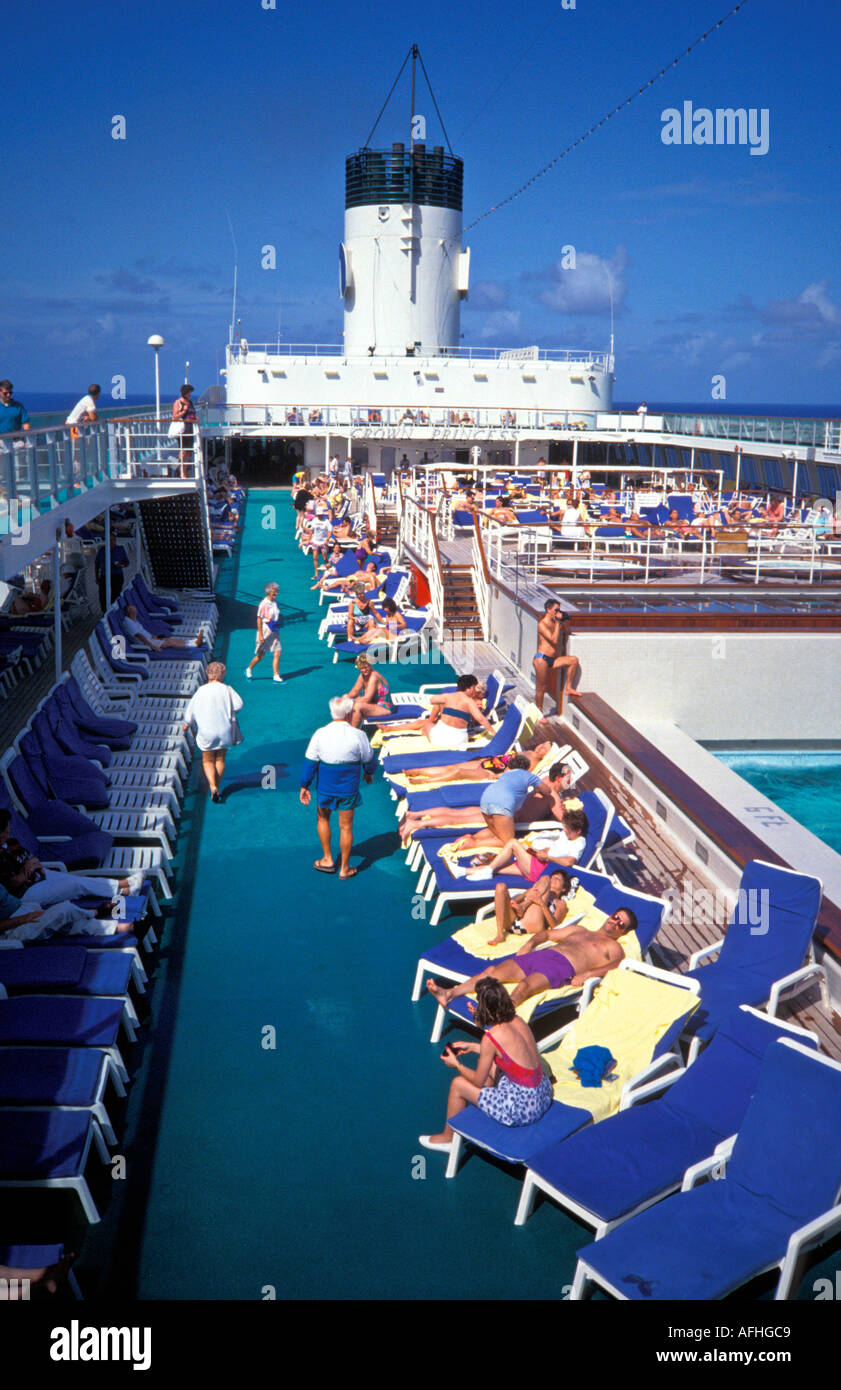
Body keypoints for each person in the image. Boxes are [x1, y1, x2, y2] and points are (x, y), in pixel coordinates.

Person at [419, 978, 553, 1151]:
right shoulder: (518, 1021)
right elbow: (507, 1049)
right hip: (542, 1094)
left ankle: (448, 1139)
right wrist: (475, 1047)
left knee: (458, 1085)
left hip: (522, 1109)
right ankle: (489, 1096)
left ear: (484, 1008)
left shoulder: (490, 1038)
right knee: (493, 1065)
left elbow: (477, 1082)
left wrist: (456, 1065)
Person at [425, 907, 639, 1014]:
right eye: (616, 916)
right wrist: (530, 944)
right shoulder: (580, 929)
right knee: (491, 971)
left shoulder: (614, 947)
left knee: (525, 986)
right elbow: (546, 935)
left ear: (623, 932)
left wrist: (587, 975)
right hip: (542, 956)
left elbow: (615, 966)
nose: (615, 922)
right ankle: (449, 993)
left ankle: (492, 1015)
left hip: (563, 968)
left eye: (621, 924)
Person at [299, 695, 377, 879]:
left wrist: (305, 785)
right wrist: (368, 772)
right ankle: (344, 868)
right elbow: (369, 760)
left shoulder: (320, 733)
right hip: (348, 789)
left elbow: (310, 763)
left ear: (332, 712)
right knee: (346, 828)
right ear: (349, 713)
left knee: (323, 819)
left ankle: (327, 859)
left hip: (325, 787)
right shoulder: (359, 735)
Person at [467, 807, 589, 881]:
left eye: (567, 828)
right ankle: (462, 871)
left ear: (578, 831)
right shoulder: (566, 835)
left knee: (513, 843)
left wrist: (547, 857)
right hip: (537, 862)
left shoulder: (579, 842)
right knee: (497, 867)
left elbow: (569, 862)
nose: (564, 830)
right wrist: (537, 850)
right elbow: (555, 847)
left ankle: (488, 870)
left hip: (542, 870)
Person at [378, 674, 494, 750]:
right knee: (428, 721)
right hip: (459, 740)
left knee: (427, 725)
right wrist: (494, 733)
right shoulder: (470, 702)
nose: (474, 691)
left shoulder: (464, 700)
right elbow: (481, 719)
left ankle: (392, 729)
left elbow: (432, 699)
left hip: (443, 738)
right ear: (470, 688)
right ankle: (391, 729)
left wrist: (445, 701)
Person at [181, 661, 243, 802]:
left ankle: (212, 786)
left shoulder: (201, 690)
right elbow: (239, 704)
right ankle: (218, 787)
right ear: (222, 675)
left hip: (206, 732)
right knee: (220, 759)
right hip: (224, 731)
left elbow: (190, 711)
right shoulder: (227, 689)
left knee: (208, 760)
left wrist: (186, 724)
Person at [533, 599, 580, 713]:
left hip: (553, 659)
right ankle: (539, 712)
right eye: (556, 610)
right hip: (542, 659)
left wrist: (563, 621)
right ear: (548, 610)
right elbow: (554, 640)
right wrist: (558, 623)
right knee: (542, 687)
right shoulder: (542, 624)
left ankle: (568, 687)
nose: (558, 612)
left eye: (559, 610)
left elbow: (568, 631)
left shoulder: (556, 622)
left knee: (574, 661)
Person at [122, 604, 205, 651]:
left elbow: (142, 631)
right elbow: (140, 636)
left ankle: (194, 642)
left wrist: (153, 636)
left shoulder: (134, 620)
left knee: (170, 639)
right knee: (169, 643)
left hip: (150, 638)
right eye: (134, 611)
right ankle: (194, 646)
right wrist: (153, 647)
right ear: (130, 613)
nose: (136, 613)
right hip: (145, 643)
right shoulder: (128, 623)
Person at [245, 581, 283, 683]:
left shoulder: (275, 603)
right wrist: (261, 635)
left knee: (278, 652)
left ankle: (276, 675)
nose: (276, 594)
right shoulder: (263, 604)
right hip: (266, 630)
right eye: (274, 592)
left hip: (275, 630)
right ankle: (249, 669)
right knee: (261, 656)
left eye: (277, 592)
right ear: (269, 592)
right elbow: (259, 619)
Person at [344, 654, 394, 727]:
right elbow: (354, 692)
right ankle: (345, 729)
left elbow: (367, 699)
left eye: (366, 667)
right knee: (345, 697)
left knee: (357, 707)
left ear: (370, 665)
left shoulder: (374, 677)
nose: (364, 670)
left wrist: (351, 703)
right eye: (361, 668)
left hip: (384, 707)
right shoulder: (362, 676)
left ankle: (353, 732)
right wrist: (345, 699)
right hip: (374, 703)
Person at [95, 529, 129, 612]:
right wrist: (96, 576)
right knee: (102, 595)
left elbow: (127, 563)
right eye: (109, 540)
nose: (111, 542)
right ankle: (104, 612)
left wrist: (121, 565)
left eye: (113, 540)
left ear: (115, 540)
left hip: (116, 575)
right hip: (104, 575)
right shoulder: (102, 550)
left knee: (116, 595)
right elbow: (96, 564)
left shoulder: (120, 549)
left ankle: (114, 612)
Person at [172, 384, 197, 475]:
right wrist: (183, 411)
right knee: (183, 451)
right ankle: (180, 471)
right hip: (183, 429)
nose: (190, 394)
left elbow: (192, 414)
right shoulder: (178, 402)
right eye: (189, 392)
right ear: (185, 392)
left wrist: (195, 418)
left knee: (188, 452)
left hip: (190, 429)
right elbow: (175, 416)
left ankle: (184, 471)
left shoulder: (190, 402)